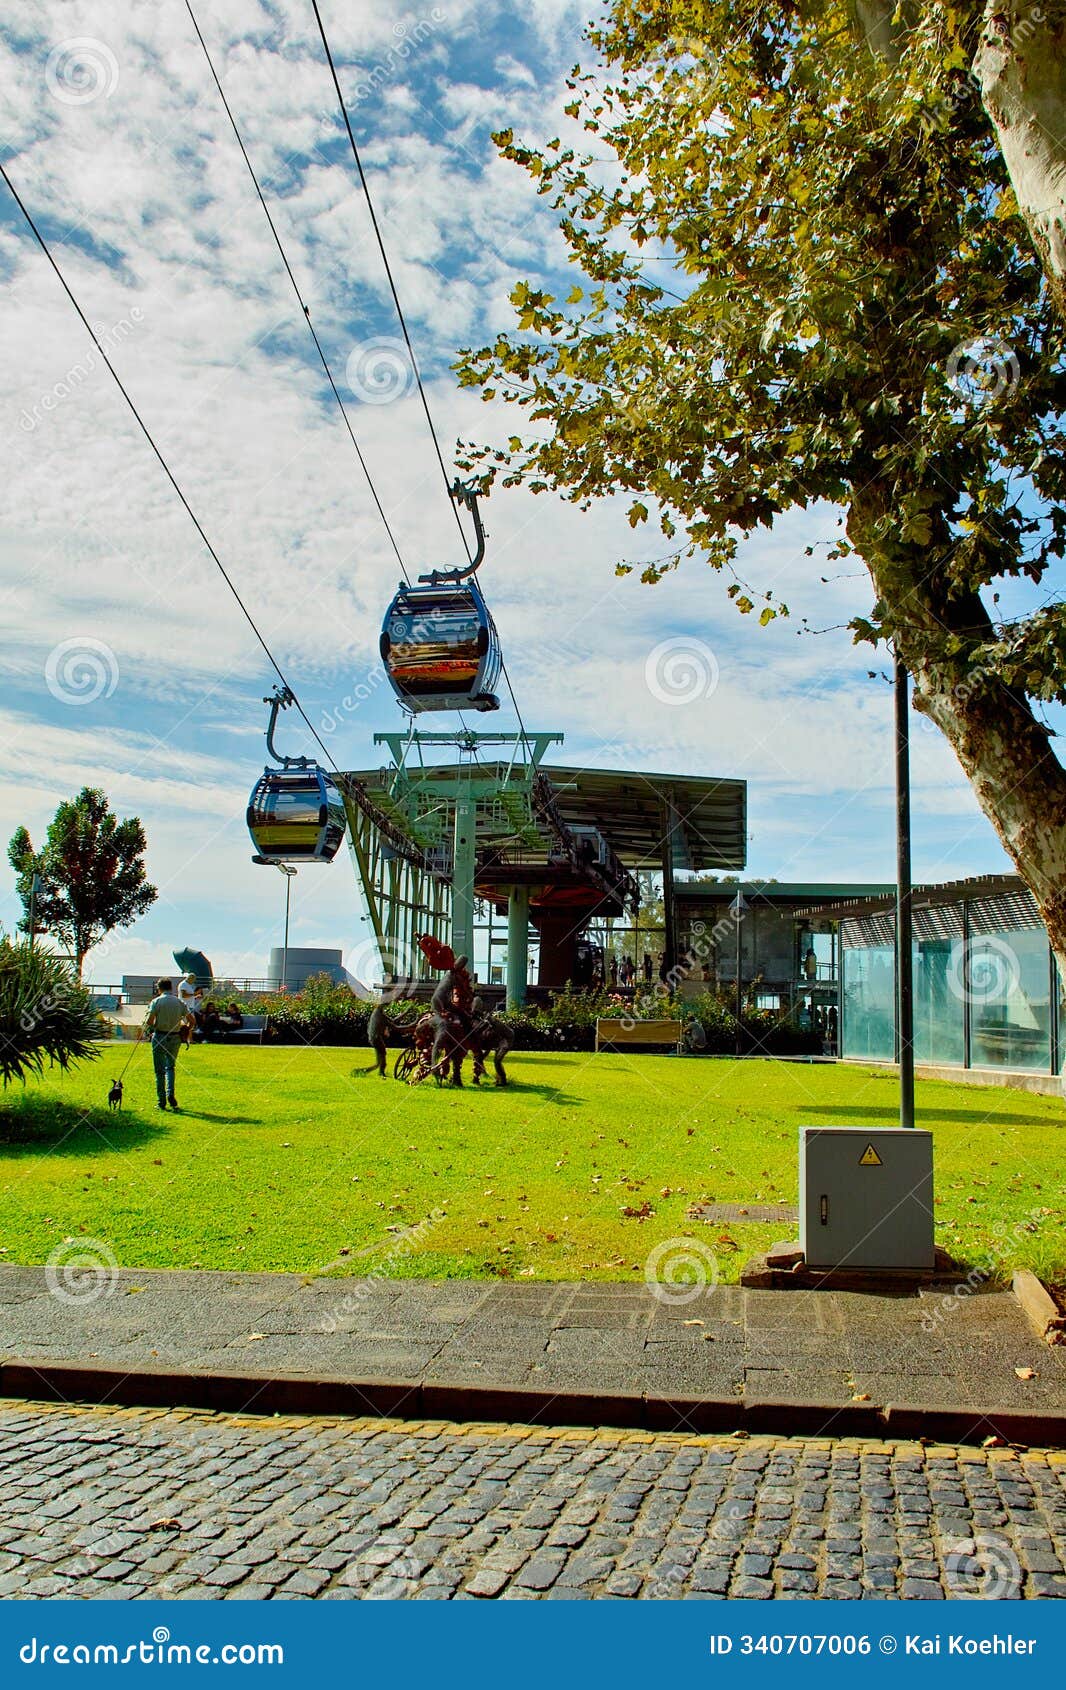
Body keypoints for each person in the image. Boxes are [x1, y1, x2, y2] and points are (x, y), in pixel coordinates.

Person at [144, 977, 193, 1111]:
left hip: (160, 1035)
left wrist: (153, 1027)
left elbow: (149, 1021)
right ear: (171, 988)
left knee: (159, 1071)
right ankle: (170, 1094)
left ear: (159, 988)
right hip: (175, 1037)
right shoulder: (179, 1002)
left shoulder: (156, 1001)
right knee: (170, 1068)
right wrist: (186, 1028)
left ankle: (161, 1101)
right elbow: (192, 1020)